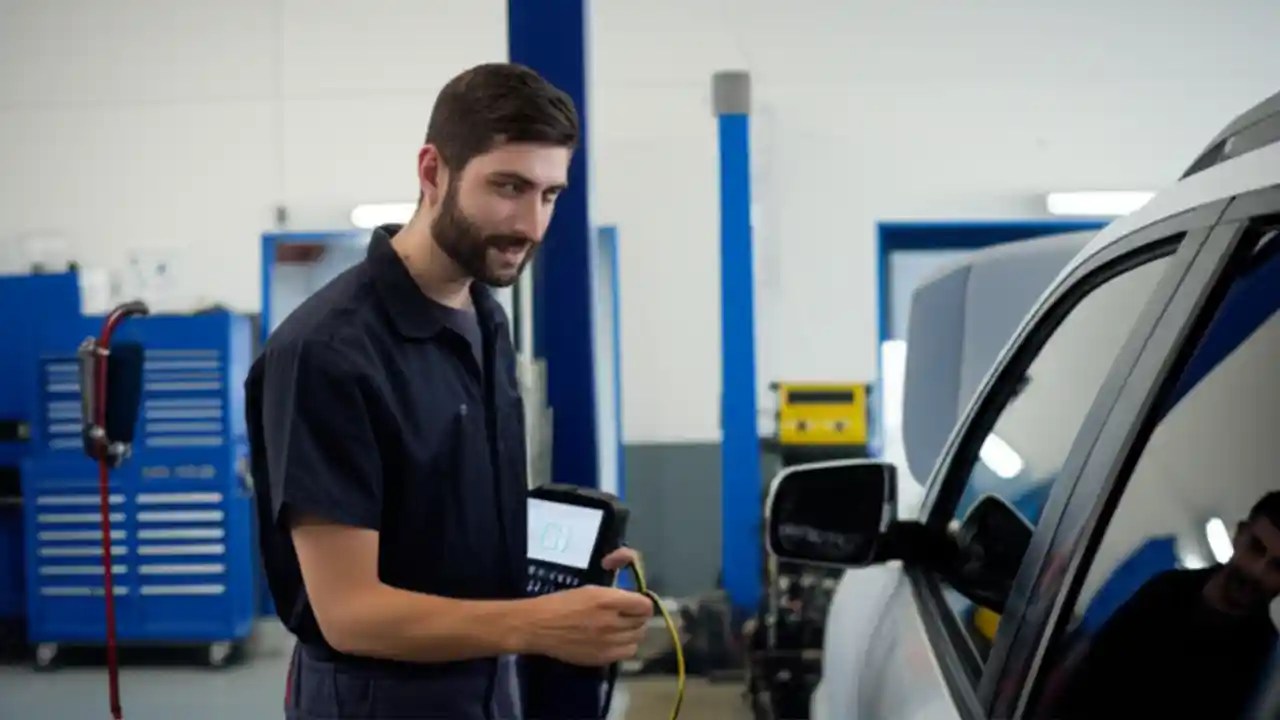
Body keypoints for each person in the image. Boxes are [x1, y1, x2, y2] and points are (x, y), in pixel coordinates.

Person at [245, 62, 654, 720]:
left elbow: (445, 516)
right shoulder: (326, 352)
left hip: (488, 683)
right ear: (432, 171)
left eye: (550, 194)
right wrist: (541, 624)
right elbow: (349, 614)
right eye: (509, 187)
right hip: (375, 699)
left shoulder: (486, 317)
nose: (532, 224)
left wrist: (561, 580)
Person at [1050, 491, 1280, 719]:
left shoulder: (1266, 667)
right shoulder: (1166, 589)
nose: (1257, 571)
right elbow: (1086, 663)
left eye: (1277, 567)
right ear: (1239, 535)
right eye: (1256, 548)